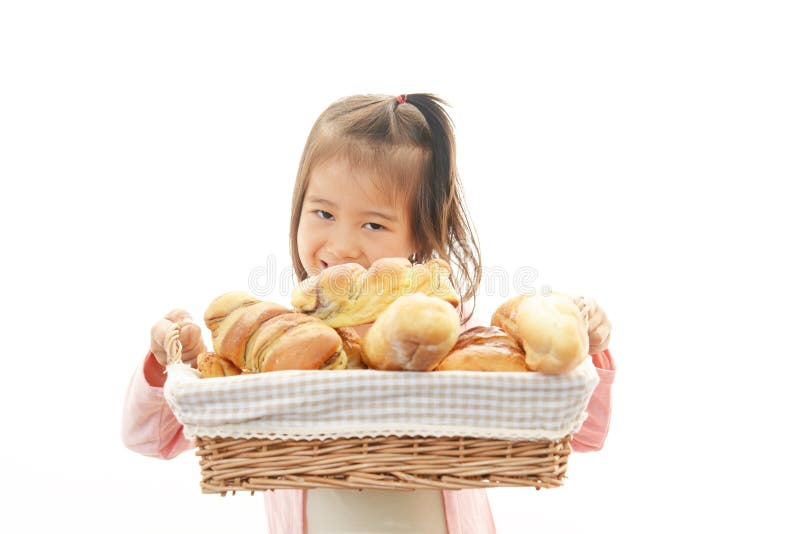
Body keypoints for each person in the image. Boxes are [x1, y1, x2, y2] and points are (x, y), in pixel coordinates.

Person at [122, 93, 616, 534]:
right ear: (297, 209)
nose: (341, 246)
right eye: (323, 214)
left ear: (420, 237)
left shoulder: (451, 344)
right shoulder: (277, 345)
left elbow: (582, 434)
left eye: (375, 224)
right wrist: (167, 358)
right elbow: (153, 440)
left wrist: (588, 351)